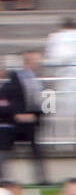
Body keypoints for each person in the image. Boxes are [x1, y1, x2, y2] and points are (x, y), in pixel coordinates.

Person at [0, 49, 47, 184]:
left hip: (30, 122)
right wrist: (17, 114)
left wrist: (38, 116)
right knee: (4, 152)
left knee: (36, 152)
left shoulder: (37, 79)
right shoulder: (15, 78)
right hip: (14, 123)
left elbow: (47, 99)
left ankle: (41, 178)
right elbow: (9, 98)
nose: (36, 63)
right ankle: (3, 180)